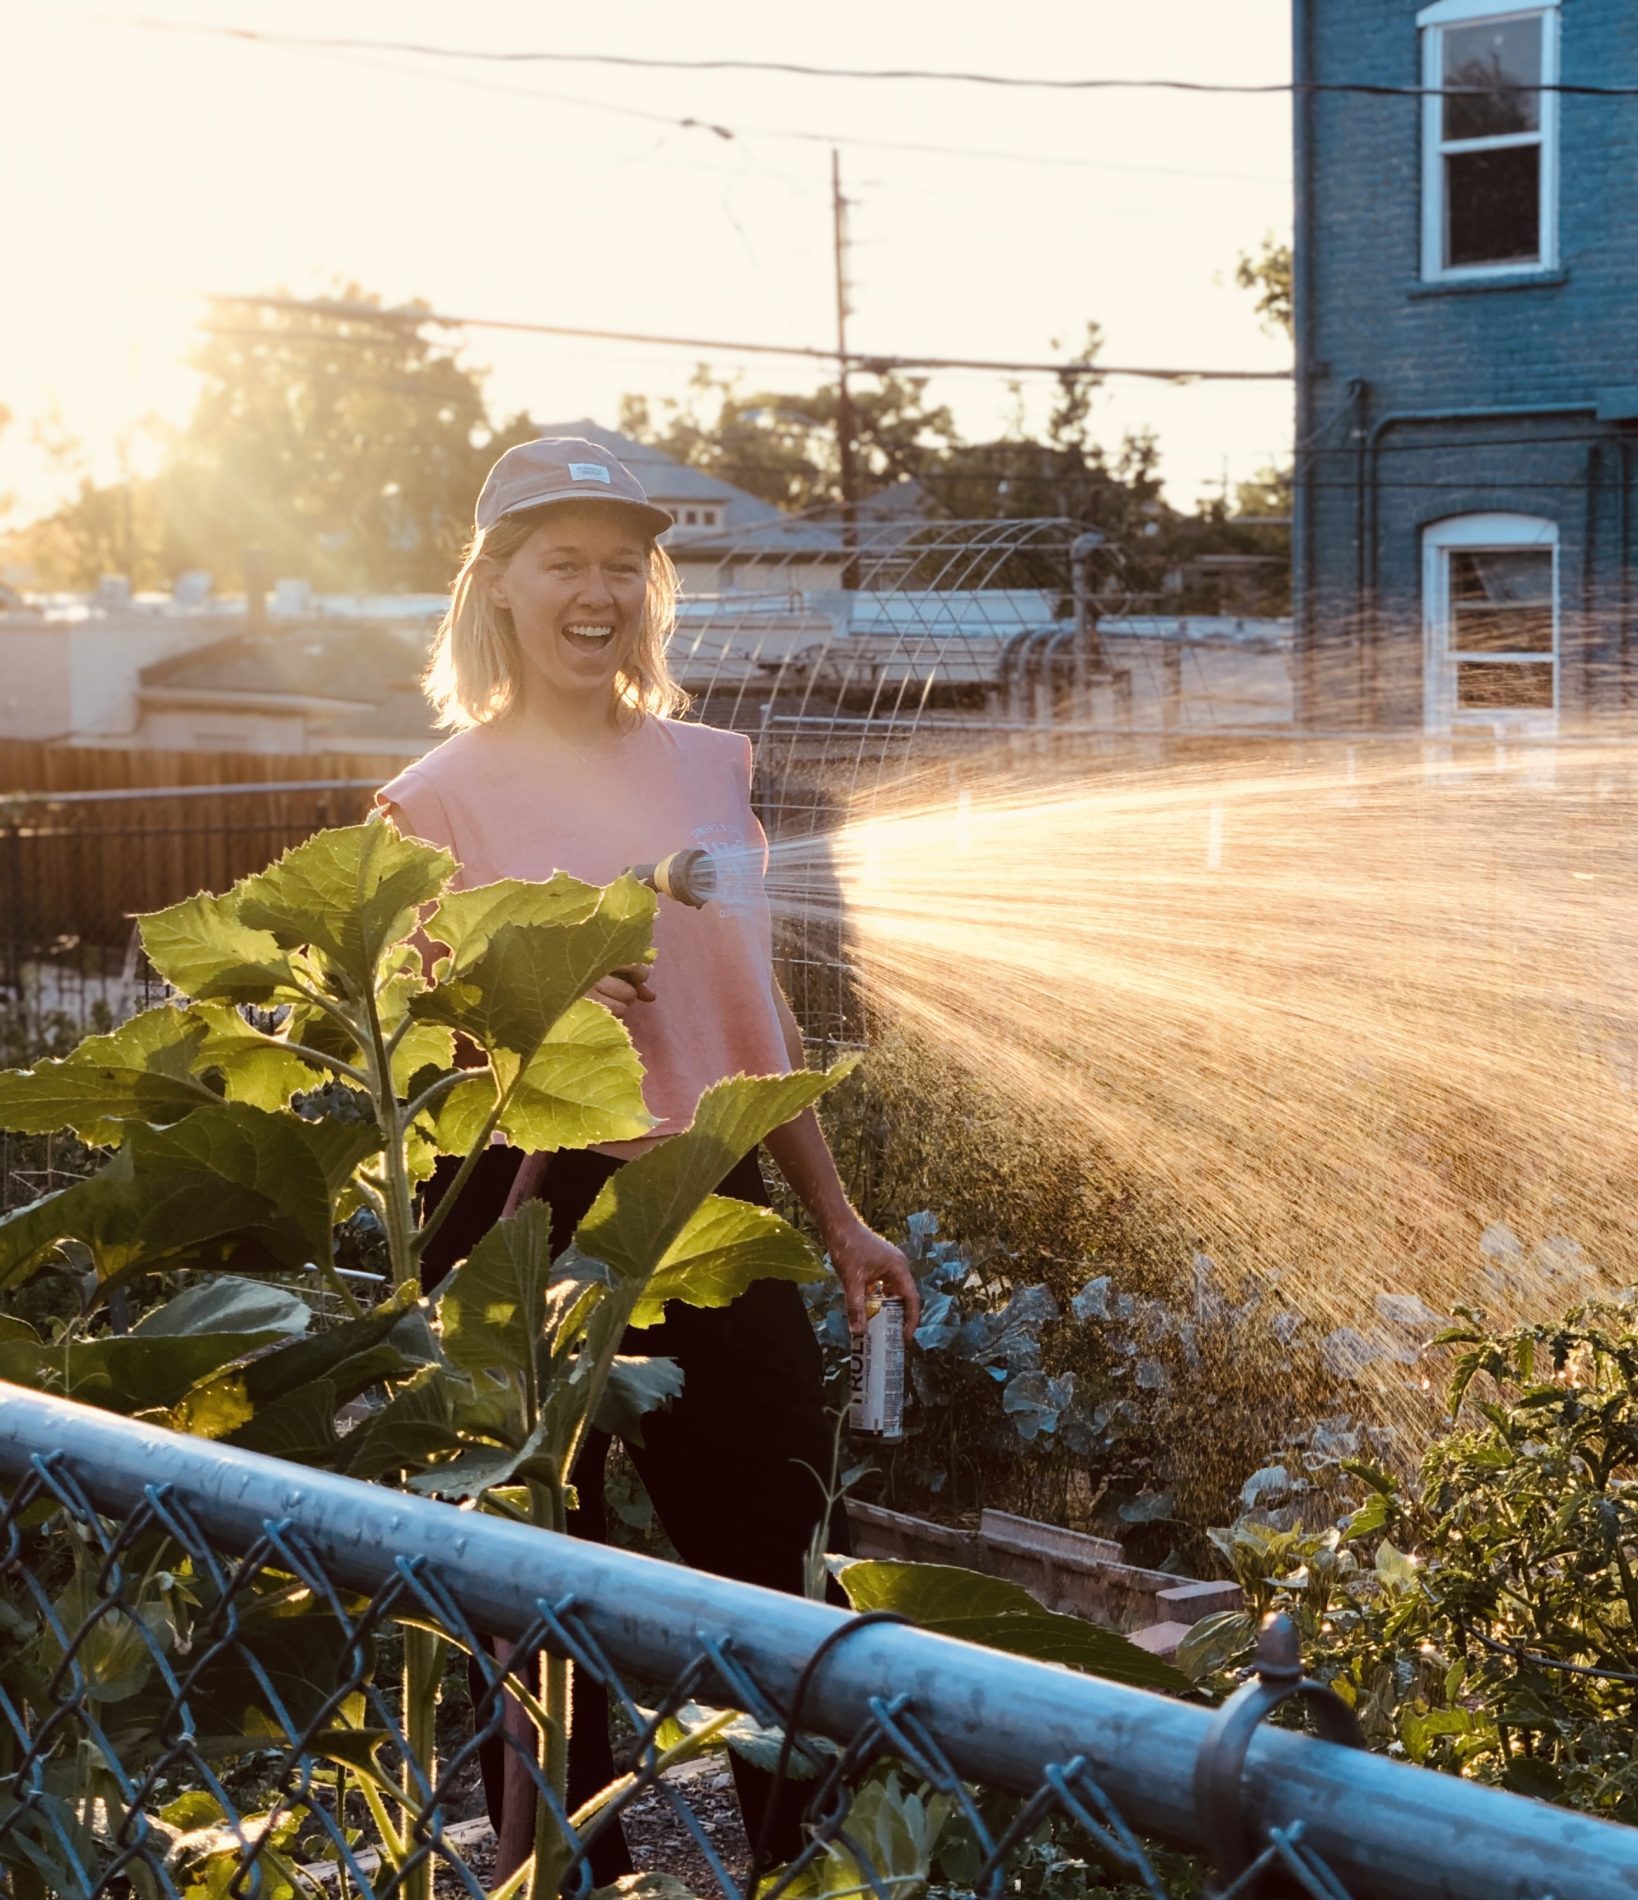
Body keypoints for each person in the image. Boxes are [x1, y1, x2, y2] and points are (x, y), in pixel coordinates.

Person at [376, 435, 920, 1882]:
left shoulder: (699, 766)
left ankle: (801, 1872)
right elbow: (421, 1051)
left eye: (624, 561)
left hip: (694, 1196)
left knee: (784, 1577)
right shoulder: (434, 801)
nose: (596, 589)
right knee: (537, 1592)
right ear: (495, 585)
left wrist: (839, 1219)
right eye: (561, 560)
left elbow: (745, 1013)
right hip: (510, 1207)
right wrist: (531, 1002)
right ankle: (569, 1871)